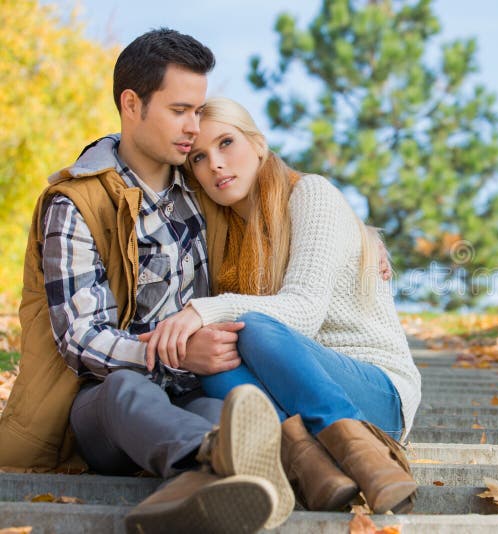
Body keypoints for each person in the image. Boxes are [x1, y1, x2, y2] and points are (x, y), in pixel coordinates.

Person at [0, 29, 294, 534]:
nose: (193, 127)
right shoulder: (76, 204)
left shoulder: (202, 186)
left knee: (231, 410)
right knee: (126, 392)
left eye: (198, 111)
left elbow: (271, 183)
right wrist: (178, 352)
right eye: (179, 110)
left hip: (193, 394)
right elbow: (81, 339)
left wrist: (354, 233)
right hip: (101, 409)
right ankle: (213, 454)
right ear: (132, 104)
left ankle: (186, 491)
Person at [144, 97, 422, 514]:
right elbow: (140, 150)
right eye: (199, 157)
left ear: (258, 144)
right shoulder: (224, 234)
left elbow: (304, 311)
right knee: (218, 355)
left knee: (253, 327)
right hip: (295, 398)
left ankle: (373, 463)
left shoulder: (310, 194)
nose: (215, 164)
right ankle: (316, 471)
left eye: (226, 143)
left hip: (377, 394)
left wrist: (204, 309)